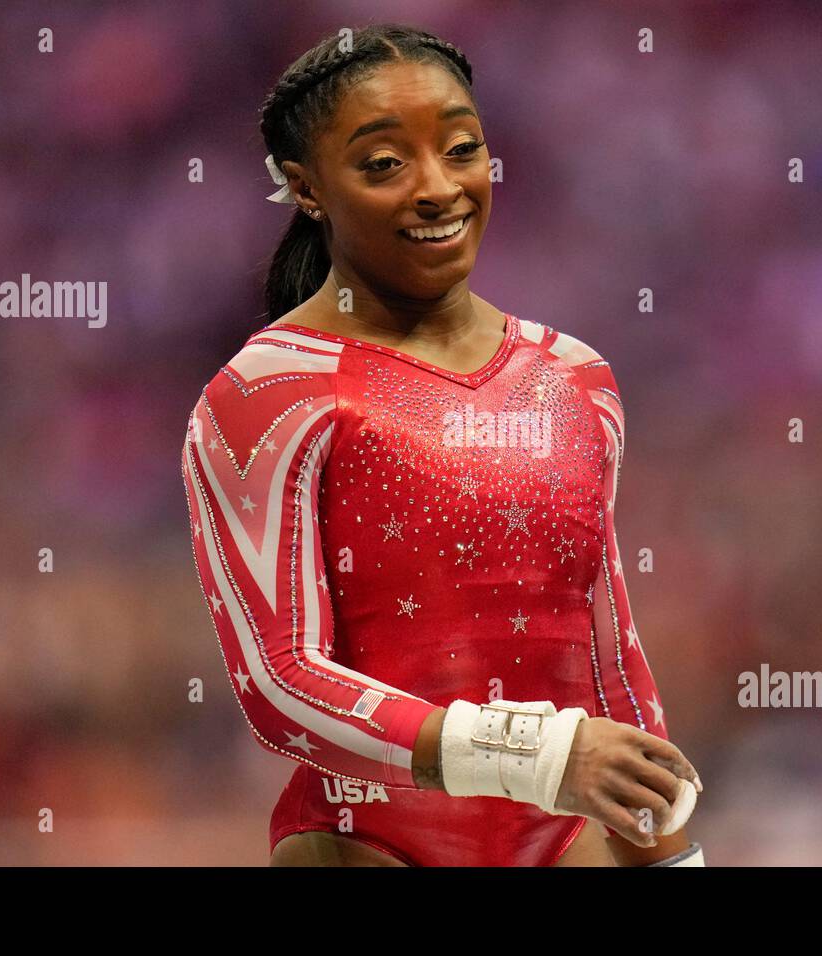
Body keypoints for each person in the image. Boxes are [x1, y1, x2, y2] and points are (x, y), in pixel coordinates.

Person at [180, 23, 703, 866]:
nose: (438, 188)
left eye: (461, 149)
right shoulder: (269, 391)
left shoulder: (573, 375)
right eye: (383, 164)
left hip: (564, 841)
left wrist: (672, 856)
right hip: (370, 843)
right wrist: (537, 758)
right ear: (308, 189)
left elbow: (608, 657)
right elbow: (279, 683)